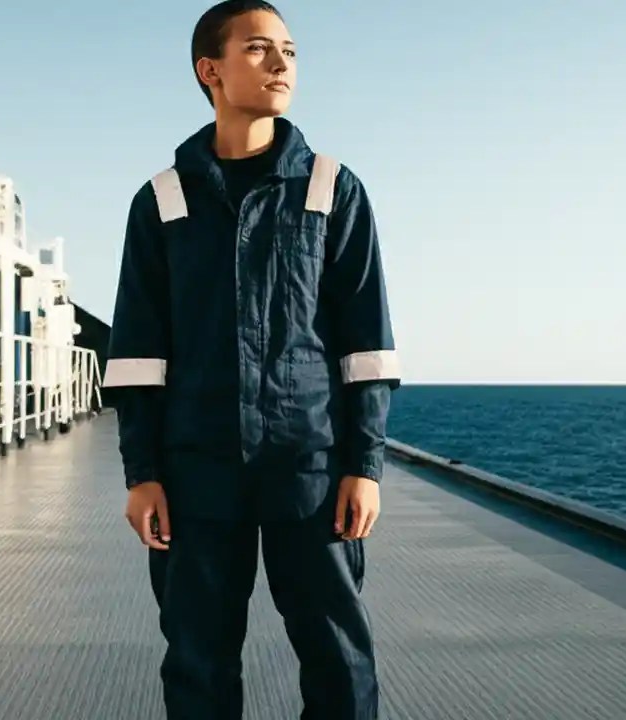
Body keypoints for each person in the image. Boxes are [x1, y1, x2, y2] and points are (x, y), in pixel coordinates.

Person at [103, 2, 399, 718]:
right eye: (260, 49)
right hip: (195, 469)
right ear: (211, 70)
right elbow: (138, 354)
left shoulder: (332, 189)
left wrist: (365, 464)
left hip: (311, 466)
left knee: (336, 653)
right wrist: (142, 475)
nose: (282, 63)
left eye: (289, 50)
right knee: (198, 660)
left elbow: (367, 345)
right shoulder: (163, 202)